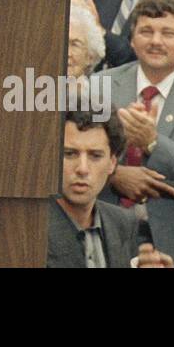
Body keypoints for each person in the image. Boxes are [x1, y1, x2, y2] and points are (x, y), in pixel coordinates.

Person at [98, 0, 174, 268]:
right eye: (146, 31)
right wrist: (113, 175)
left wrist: (153, 143)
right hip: (106, 234)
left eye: (168, 33)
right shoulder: (98, 86)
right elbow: (69, 157)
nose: (156, 41)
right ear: (132, 39)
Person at [46, 112, 141, 268]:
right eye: (70, 154)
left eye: (95, 156)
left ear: (112, 162)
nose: (82, 169)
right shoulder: (29, 226)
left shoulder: (123, 223)